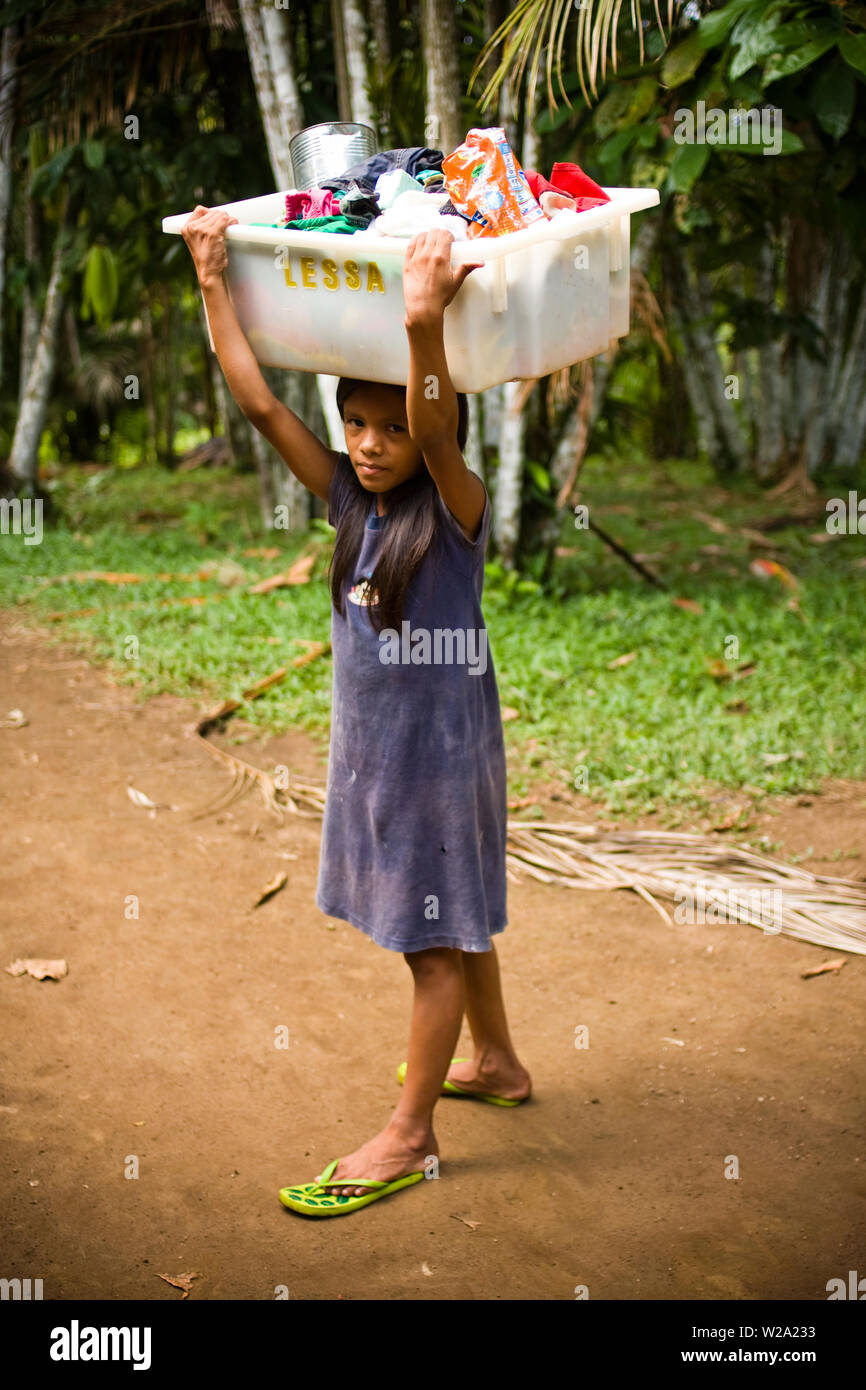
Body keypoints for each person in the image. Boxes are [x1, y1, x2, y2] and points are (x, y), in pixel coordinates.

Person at [181, 207, 531, 1216]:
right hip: (382, 761)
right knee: (456, 922)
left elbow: (432, 424)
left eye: (387, 428)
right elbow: (257, 406)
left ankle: (410, 1133)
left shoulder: (456, 510)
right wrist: (213, 277)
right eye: (356, 423)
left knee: (431, 944)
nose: (371, 445)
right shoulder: (349, 502)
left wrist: (423, 321)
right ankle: (497, 1060)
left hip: (441, 763)